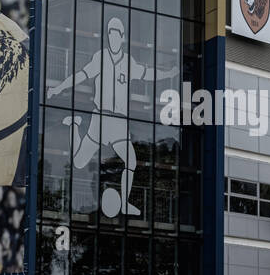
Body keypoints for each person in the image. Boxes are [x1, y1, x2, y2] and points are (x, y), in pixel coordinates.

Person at [47, 15, 177, 217]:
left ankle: (124, 203)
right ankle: (74, 124)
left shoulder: (128, 62)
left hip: (119, 123)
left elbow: (147, 73)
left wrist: (168, 75)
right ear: (108, 37)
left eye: (117, 36)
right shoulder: (100, 58)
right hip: (100, 118)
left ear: (122, 38)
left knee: (131, 161)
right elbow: (81, 75)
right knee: (79, 162)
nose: (113, 39)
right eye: (110, 35)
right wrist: (58, 88)